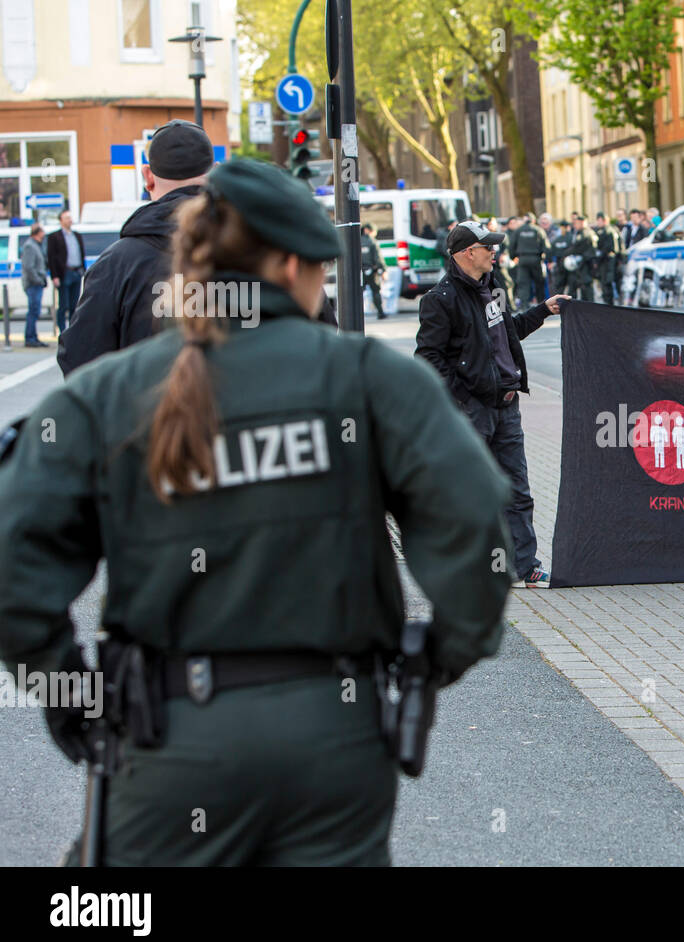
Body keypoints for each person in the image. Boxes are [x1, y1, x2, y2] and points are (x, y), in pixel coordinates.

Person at [0, 159, 513, 865]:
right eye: (320, 272)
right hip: (335, 746)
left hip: (167, 747)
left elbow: (12, 563)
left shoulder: (110, 395)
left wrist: (72, 694)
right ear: (288, 264)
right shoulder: (367, 378)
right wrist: (434, 660)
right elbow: (474, 526)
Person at [415, 219, 570, 588]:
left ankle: (524, 567)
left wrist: (544, 310)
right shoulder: (440, 300)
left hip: (507, 406)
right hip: (473, 412)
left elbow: (507, 333)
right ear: (468, 253)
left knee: (517, 490)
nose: (495, 252)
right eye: (489, 247)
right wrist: (464, 398)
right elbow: (428, 359)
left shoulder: (493, 287)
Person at [57, 120, 213, 376]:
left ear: (148, 177)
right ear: (215, 172)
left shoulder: (117, 264)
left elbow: (80, 360)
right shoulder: (255, 254)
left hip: (143, 413)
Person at [46, 210, 86, 335]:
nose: (70, 220)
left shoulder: (77, 235)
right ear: (61, 221)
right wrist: (55, 276)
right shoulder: (54, 237)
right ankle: (62, 331)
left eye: (70, 217)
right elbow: (51, 257)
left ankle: (73, 330)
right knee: (63, 304)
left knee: (75, 304)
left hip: (76, 272)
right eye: (67, 218)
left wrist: (83, 270)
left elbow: (81, 253)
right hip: (64, 273)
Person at [509, 213, 549, 307]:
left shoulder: (518, 231)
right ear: (534, 221)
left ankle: (524, 305)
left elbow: (511, 246)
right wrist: (547, 258)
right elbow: (546, 246)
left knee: (523, 283)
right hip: (536, 259)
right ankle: (541, 305)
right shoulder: (538, 230)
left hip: (522, 260)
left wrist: (513, 257)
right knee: (539, 283)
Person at [20, 224, 48, 348]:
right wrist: (38, 280)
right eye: (42, 231)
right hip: (33, 284)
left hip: (37, 282)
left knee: (35, 311)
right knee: (33, 311)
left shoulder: (37, 245)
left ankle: (33, 337)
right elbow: (29, 267)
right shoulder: (30, 246)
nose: (44, 233)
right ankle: (30, 338)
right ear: (38, 232)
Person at [593, 212, 623, 305]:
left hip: (608, 261)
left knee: (608, 283)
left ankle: (610, 303)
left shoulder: (609, 231)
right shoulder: (601, 230)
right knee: (604, 283)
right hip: (604, 261)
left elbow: (611, 248)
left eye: (599, 220)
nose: (598, 222)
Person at [359, 223, 387, 318]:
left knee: (358, 292)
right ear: (368, 230)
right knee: (376, 291)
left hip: (360, 271)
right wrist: (383, 269)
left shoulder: (356, 240)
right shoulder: (371, 241)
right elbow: (378, 258)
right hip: (372, 271)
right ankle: (380, 312)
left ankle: (356, 313)